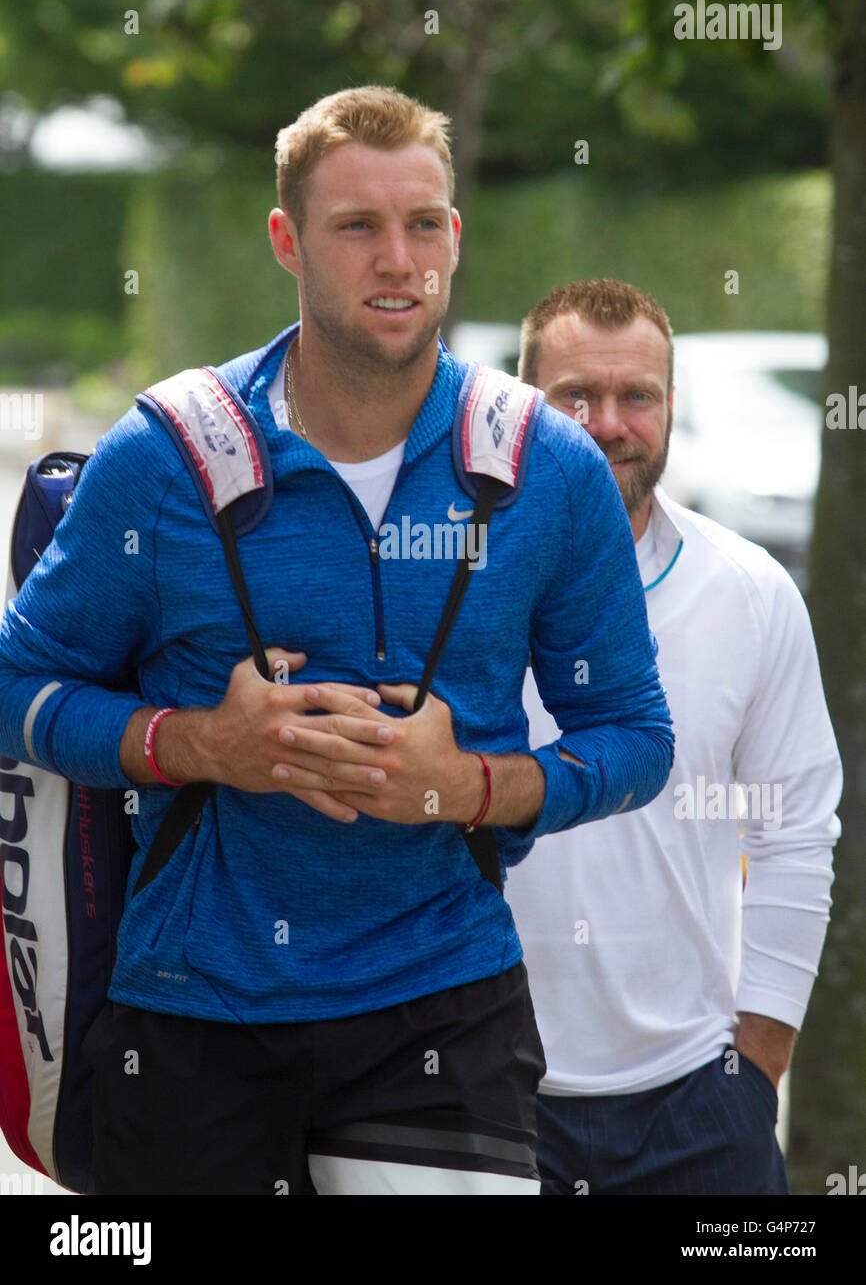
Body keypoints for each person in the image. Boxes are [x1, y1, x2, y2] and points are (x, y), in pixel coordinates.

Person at [0, 95, 674, 1195]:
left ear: (455, 238)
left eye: (423, 224)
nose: (396, 259)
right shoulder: (165, 455)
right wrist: (195, 744)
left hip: (441, 1000)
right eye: (357, 226)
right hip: (192, 1005)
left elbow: (635, 738)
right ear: (287, 241)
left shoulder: (545, 468)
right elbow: (16, 684)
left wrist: (468, 784)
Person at [505, 278, 842, 1195]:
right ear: (522, 406)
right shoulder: (457, 586)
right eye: (576, 395)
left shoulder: (752, 591)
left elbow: (795, 833)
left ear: (669, 410)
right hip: (486, 1096)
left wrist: (757, 1062)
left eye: (636, 397)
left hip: (698, 1109)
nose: (608, 423)